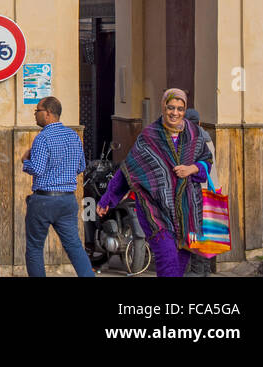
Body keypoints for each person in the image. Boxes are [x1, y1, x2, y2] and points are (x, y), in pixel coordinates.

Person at [96, 88, 212, 278]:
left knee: (180, 262)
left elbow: (207, 161)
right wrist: (108, 199)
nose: (175, 113)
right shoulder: (150, 136)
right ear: (163, 107)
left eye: (180, 109)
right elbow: (130, 169)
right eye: (170, 107)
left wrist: (192, 168)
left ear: (185, 110)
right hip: (155, 209)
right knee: (168, 260)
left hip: (187, 209)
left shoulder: (195, 134)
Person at [22, 96, 94, 277]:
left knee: (35, 248)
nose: (35, 115)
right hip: (67, 200)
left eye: (37, 111)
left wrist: (25, 161)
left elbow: (37, 169)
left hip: (43, 200)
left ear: (47, 113)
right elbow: (81, 166)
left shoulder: (42, 138)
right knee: (74, 246)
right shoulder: (73, 136)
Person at [183, 107, 217, 277]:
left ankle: (197, 270)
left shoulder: (192, 140)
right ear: (200, 122)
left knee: (194, 233)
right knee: (204, 233)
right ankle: (204, 271)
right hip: (212, 193)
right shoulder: (207, 138)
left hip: (196, 194)